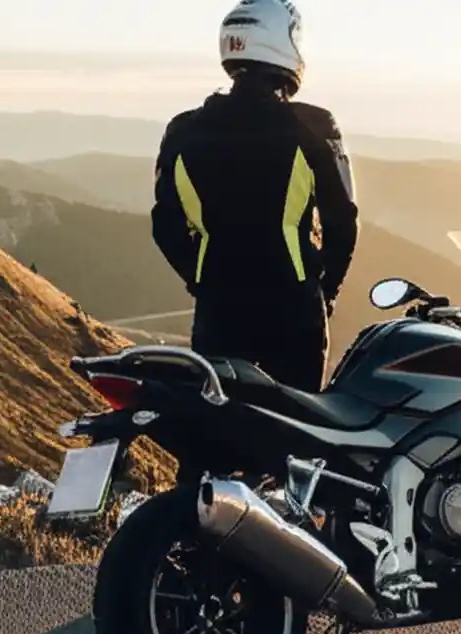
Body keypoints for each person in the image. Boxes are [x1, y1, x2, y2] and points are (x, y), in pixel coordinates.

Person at [151, 0, 359, 393]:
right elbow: (343, 222)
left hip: (218, 308)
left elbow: (165, 225)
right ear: (288, 43)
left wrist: (200, 279)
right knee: (297, 436)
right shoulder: (313, 126)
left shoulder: (181, 131)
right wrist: (324, 291)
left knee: (215, 432)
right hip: (293, 308)